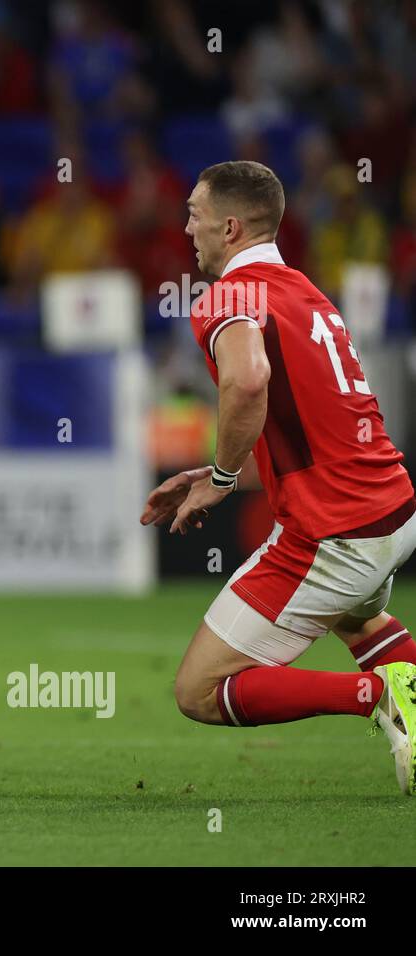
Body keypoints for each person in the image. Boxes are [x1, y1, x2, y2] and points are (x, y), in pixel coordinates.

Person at [141, 160, 416, 794]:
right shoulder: (305, 292)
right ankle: (397, 691)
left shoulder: (228, 298)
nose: (187, 229)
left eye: (195, 215)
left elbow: (248, 380)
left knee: (199, 690)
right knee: (359, 619)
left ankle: (376, 694)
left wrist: (222, 475)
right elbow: (299, 412)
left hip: (335, 530)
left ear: (230, 227)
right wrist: (211, 466)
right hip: (392, 509)